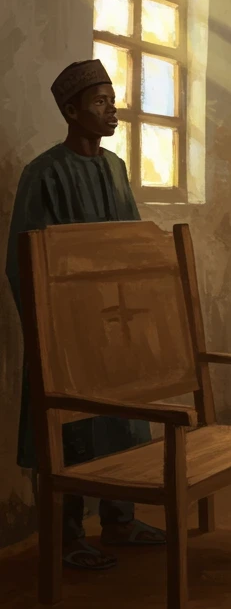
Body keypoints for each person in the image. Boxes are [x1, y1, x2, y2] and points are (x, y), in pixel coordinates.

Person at [5, 59, 165, 572]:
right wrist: (51, 326)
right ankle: (67, 530)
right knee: (70, 428)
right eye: (99, 101)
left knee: (124, 420)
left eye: (111, 98)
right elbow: (23, 259)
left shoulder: (115, 167)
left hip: (117, 323)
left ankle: (119, 518)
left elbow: (132, 241)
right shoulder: (44, 173)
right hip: (68, 330)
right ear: (71, 111)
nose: (110, 108)